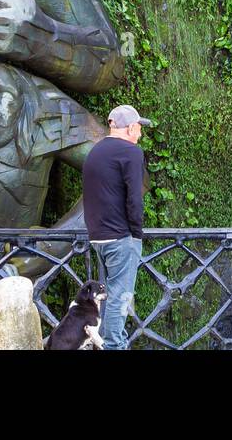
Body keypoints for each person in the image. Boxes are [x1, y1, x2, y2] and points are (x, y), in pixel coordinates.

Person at [82, 104, 150, 349]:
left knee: (111, 297)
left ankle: (114, 342)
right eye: (140, 128)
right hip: (120, 237)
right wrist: (136, 234)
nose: (140, 133)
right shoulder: (131, 152)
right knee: (121, 298)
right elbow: (134, 197)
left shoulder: (95, 151)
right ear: (131, 127)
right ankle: (114, 345)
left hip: (98, 237)